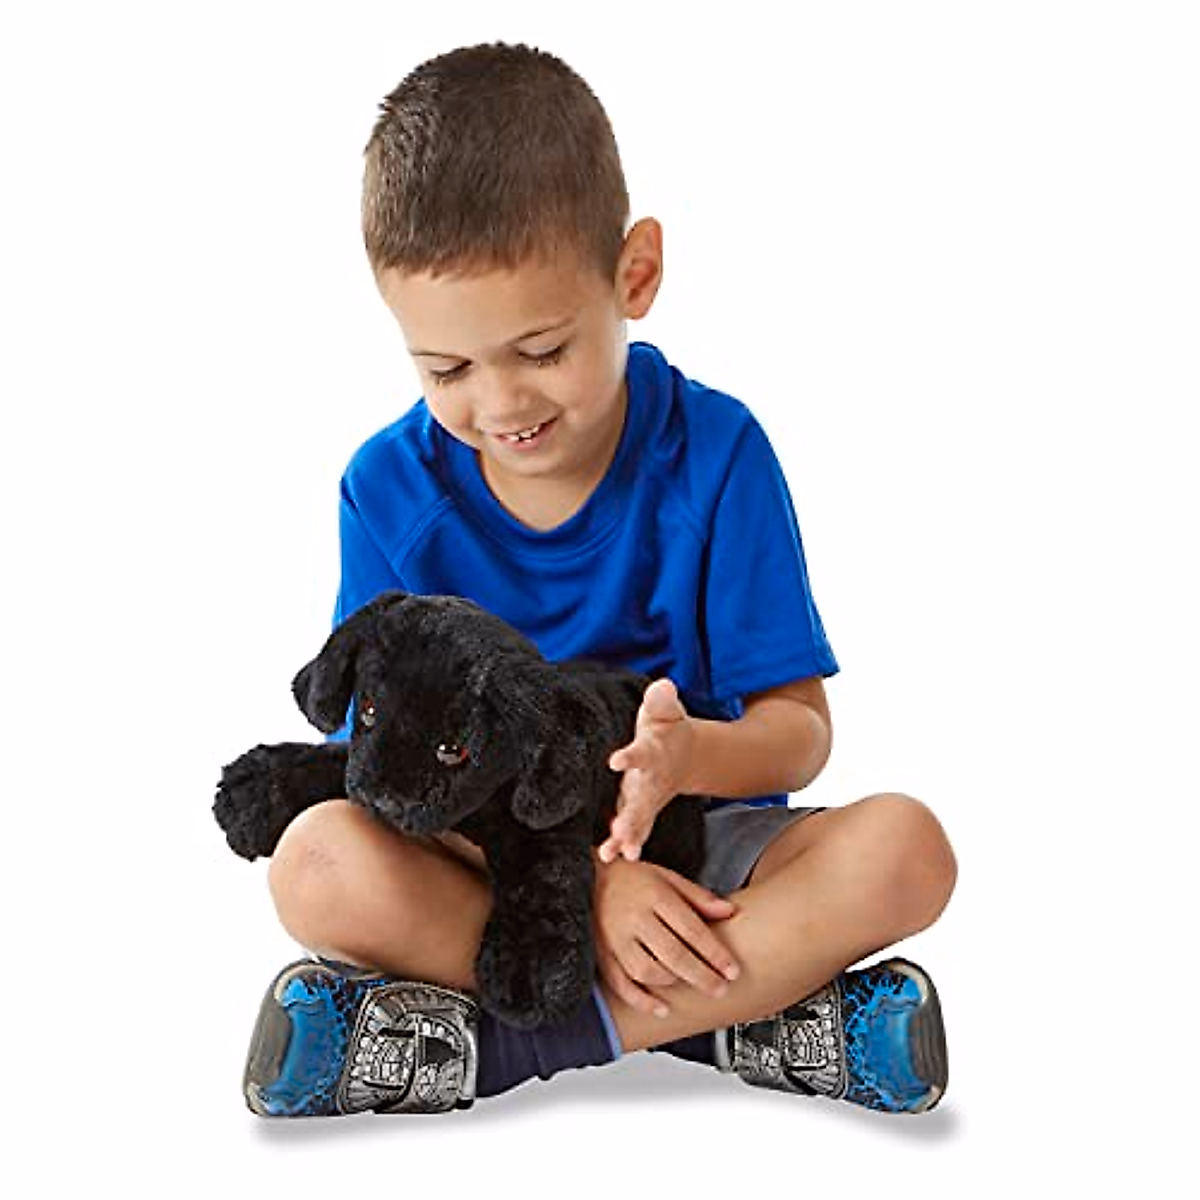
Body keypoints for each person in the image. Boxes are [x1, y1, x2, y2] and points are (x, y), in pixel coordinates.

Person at [241, 41, 958, 1119]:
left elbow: (798, 733)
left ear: (635, 275)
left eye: (541, 350)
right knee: (317, 865)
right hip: (484, 865)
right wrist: (583, 887)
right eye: (446, 369)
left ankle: (485, 1050)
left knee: (907, 849)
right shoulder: (386, 489)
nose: (500, 404)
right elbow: (382, 772)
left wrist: (689, 757)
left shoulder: (718, 455)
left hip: (697, 852)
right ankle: (751, 1023)